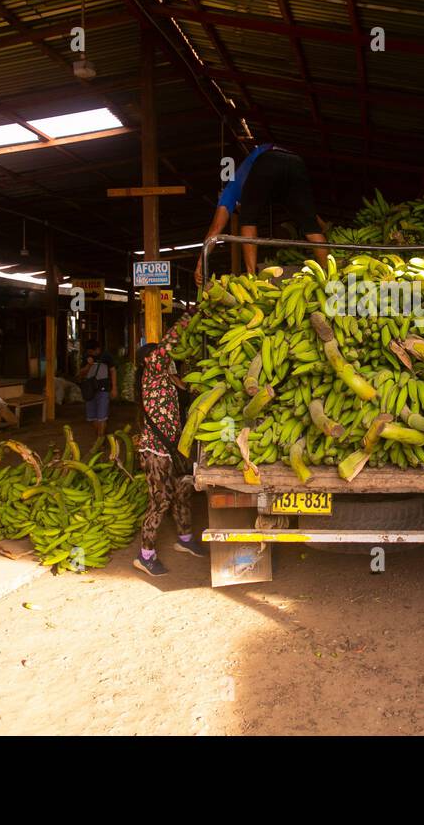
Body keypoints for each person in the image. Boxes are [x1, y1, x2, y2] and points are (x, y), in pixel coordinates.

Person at [132, 308, 206, 576]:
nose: (167, 361)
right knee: (160, 500)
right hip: (155, 452)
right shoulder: (151, 376)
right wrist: (187, 317)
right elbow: (166, 346)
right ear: (149, 361)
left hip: (172, 450)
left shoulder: (167, 381)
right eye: (160, 358)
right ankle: (145, 555)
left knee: (183, 493)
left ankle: (185, 540)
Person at [195, 143, 329, 284]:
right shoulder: (251, 182)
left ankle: (252, 278)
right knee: (311, 227)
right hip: (296, 162)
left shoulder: (229, 192)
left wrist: (200, 263)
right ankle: (329, 277)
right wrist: (320, 224)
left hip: (268, 160)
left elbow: (215, 230)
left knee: (247, 220)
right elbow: (306, 210)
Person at [78, 340, 116, 438]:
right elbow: (81, 373)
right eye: (89, 352)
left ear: (98, 349)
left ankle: (100, 438)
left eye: (92, 351)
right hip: (90, 390)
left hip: (104, 389)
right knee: (92, 416)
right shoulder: (86, 357)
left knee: (102, 416)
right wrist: (89, 365)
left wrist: (114, 388)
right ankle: (99, 436)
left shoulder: (106, 356)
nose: (90, 353)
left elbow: (113, 371)